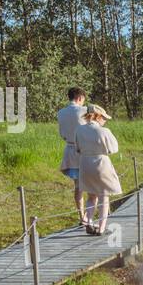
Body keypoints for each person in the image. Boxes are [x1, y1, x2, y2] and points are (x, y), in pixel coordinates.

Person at [74, 105, 122, 235]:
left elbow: (77, 148)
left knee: (91, 196)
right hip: (100, 164)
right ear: (97, 116)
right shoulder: (104, 131)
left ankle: (88, 222)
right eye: (104, 118)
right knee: (103, 196)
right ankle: (101, 228)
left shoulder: (79, 130)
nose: (105, 120)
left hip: (85, 164)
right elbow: (113, 149)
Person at [57, 87, 89, 226]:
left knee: (78, 186)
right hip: (84, 151)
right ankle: (92, 215)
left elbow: (62, 133)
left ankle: (82, 216)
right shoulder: (84, 110)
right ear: (79, 98)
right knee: (93, 185)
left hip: (70, 150)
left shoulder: (61, 112)